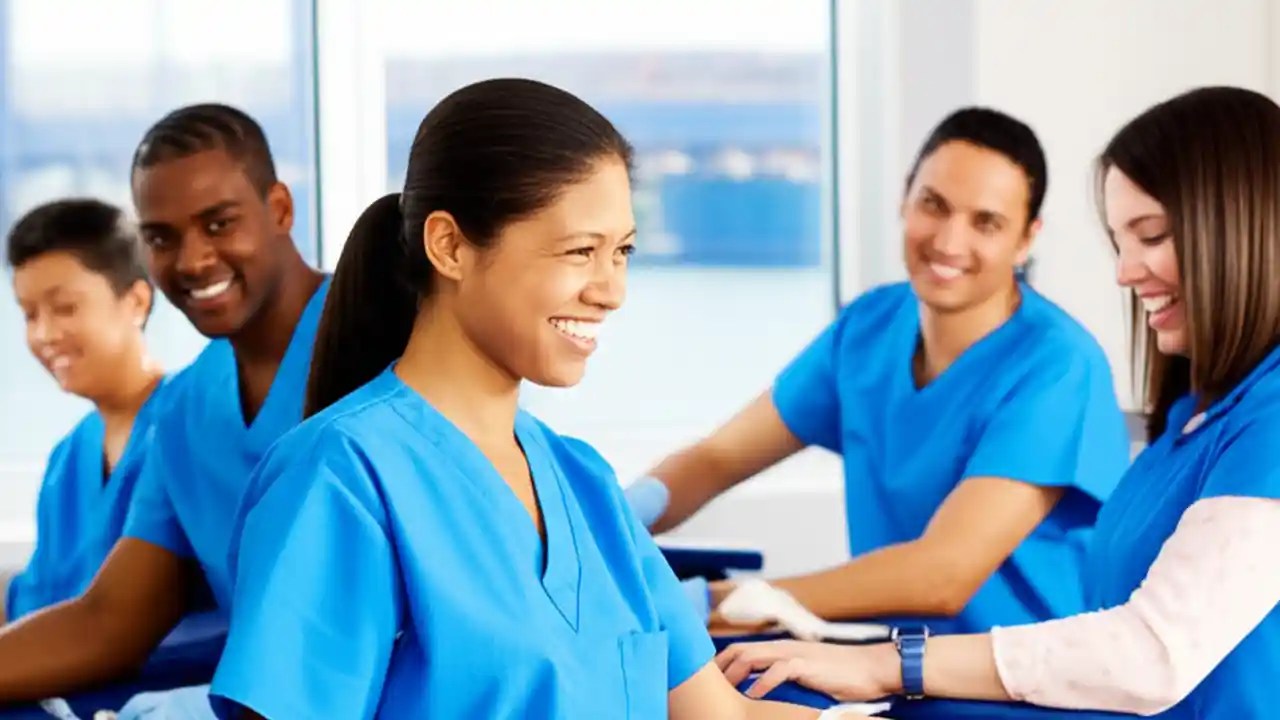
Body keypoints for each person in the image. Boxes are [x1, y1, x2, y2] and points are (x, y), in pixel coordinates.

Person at [207, 78, 828, 720]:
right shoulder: (340, 477)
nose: (611, 290)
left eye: (622, 253)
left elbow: (719, 715)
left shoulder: (583, 482)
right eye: (581, 252)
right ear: (449, 246)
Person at [714, 85, 1280, 720]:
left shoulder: (1259, 416)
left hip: (1016, 686)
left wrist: (885, 661)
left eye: (1149, 235)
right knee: (743, 691)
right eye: (1120, 241)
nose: (1124, 272)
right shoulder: (1197, 418)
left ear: (1238, 230)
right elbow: (719, 455)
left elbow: (1150, 653)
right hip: (1015, 685)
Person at [629, 108, 1130, 635]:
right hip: (891, 665)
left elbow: (944, 575)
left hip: (1023, 689)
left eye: (986, 222)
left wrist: (722, 601)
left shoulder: (1058, 367)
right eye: (933, 205)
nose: (949, 241)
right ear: (904, 199)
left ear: (1027, 239)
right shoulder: (870, 328)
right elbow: (717, 457)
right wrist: (610, 521)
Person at [0, 103, 327, 707]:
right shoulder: (186, 411)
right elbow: (110, 620)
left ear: (279, 208)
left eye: (220, 223)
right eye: (162, 237)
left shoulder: (376, 340)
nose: (194, 259)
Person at [4, 199, 166, 623]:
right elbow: (33, 609)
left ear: (136, 301)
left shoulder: (188, 428)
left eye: (65, 308)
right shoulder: (69, 458)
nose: (43, 335)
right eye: (29, 314)